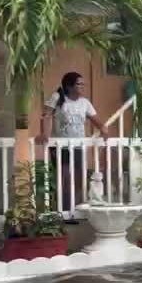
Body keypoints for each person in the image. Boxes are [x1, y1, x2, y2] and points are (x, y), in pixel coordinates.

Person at [36, 72, 108, 212]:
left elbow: (96, 120)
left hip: (78, 147)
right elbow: (47, 115)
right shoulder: (57, 97)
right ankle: (64, 211)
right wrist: (45, 134)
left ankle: (76, 209)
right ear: (69, 86)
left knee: (79, 179)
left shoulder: (85, 103)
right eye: (79, 84)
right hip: (61, 147)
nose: (82, 86)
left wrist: (104, 129)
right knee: (65, 179)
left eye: (83, 84)